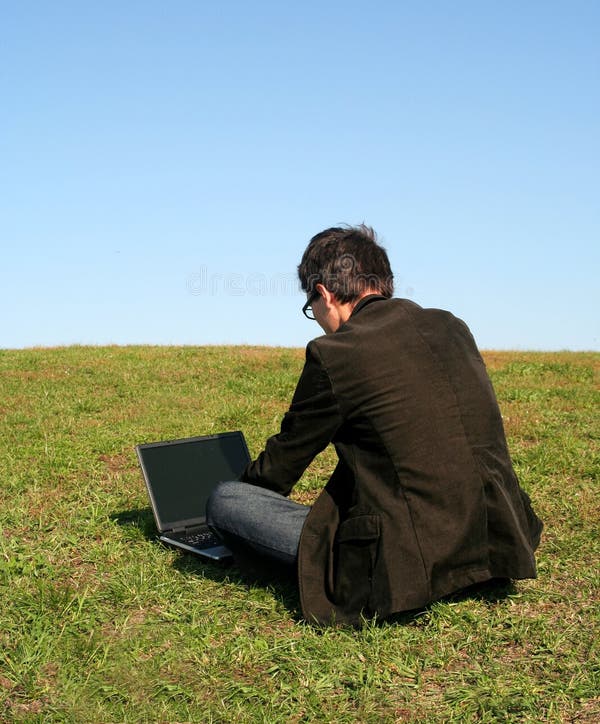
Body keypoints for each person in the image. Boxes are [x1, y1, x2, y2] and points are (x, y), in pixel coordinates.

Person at [207, 225, 543, 625]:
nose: (314, 317)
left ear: (325, 293)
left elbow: (283, 463)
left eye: (310, 305)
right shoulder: (452, 326)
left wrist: (246, 497)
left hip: (410, 561)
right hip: (491, 539)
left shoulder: (336, 353)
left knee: (225, 500)